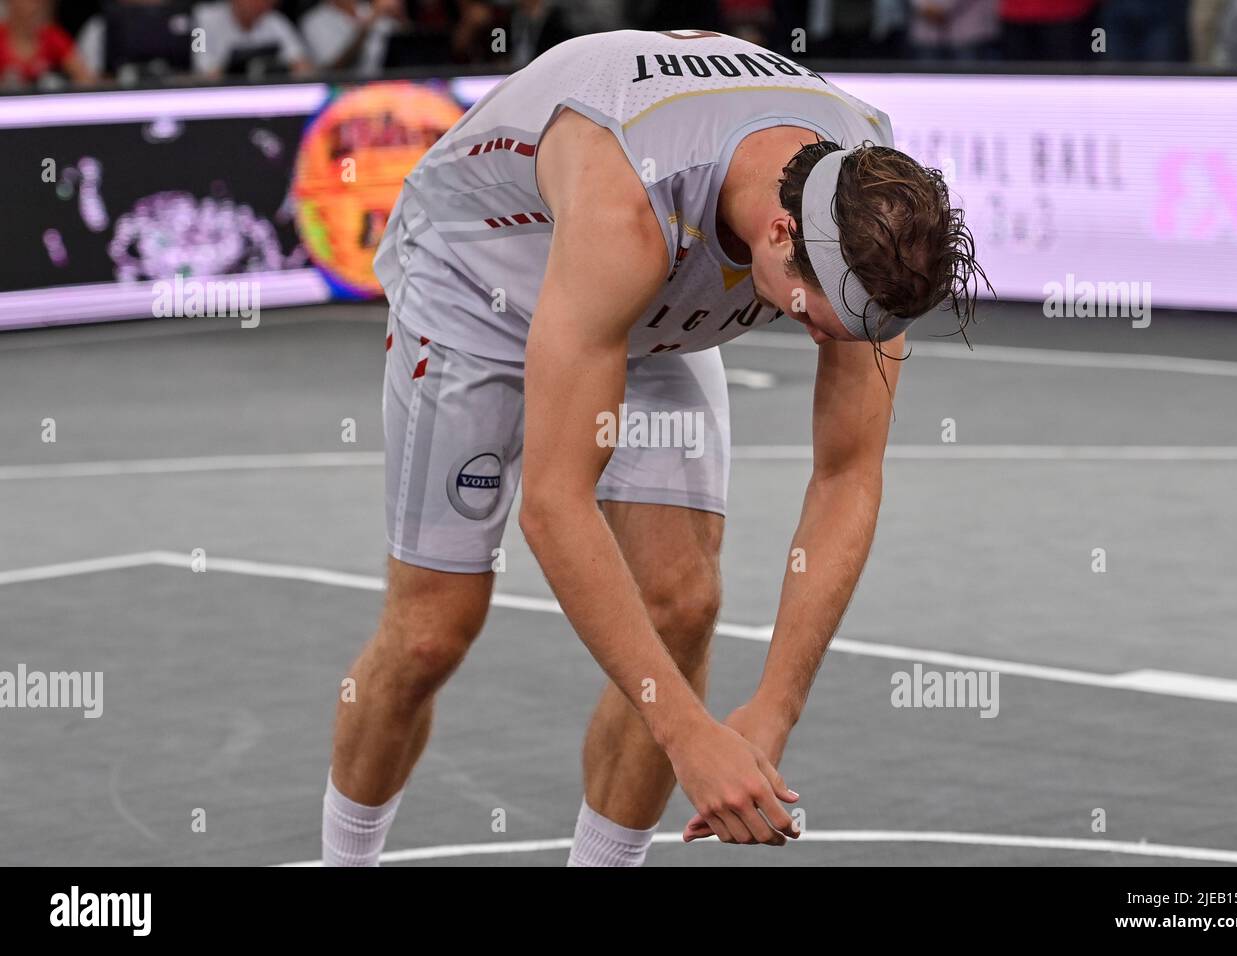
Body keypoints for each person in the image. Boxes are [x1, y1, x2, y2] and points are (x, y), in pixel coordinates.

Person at [324, 28, 982, 867]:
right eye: (816, 310)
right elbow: (556, 507)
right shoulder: (626, 200)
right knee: (431, 632)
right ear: (781, 233)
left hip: (645, 303)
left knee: (682, 605)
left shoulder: (871, 214)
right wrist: (687, 736)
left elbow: (848, 473)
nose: (828, 337)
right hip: (478, 278)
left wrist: (772, 710)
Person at [191, 0, 312, 77]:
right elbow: (203, 70)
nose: (261, 4)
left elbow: (301, 62)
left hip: (267, 94)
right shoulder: (203, 18)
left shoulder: (275, 20)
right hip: (221, 97)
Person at [0, 0, 95, 86]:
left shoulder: (53, 36)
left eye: (39, 2)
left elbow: (84, 77)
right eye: (30, 2)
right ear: (10, 3)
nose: (36, 7)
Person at [299, 0, 405, 75]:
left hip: (388, 86)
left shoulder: (368, 9)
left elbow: (405, 43)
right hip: (344, 92)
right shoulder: (314, 21)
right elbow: (334, 70)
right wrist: (367, 26)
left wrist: (400, 15)